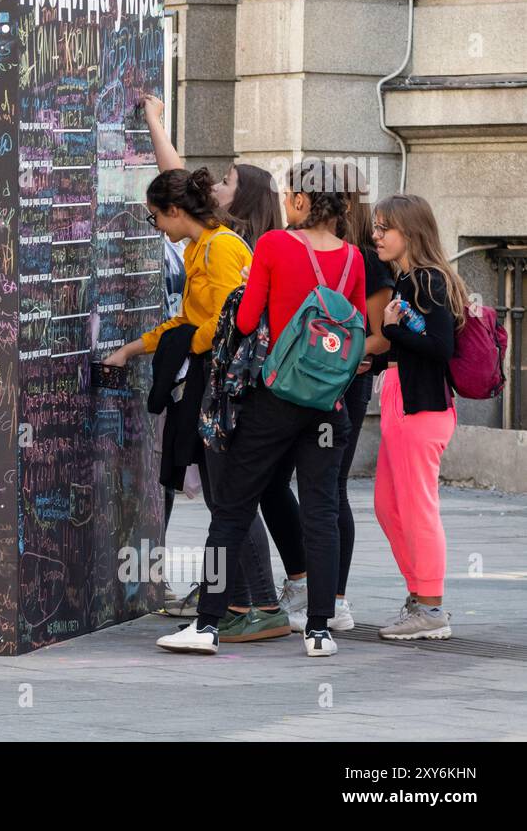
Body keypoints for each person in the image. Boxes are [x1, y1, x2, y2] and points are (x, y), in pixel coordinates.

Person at [156, 163, 365, 657]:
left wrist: (255, 289)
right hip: (327, 406)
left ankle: (206, 627)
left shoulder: (273, 246)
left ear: (300, 201)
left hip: (273, 398)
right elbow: (354, 331)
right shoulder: (354, 258)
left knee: (230, 509)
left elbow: (248, 318)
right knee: (321, 511)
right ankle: (318, 630)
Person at [138, 96, 289, 641]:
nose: (156, 226)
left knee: (231, 500)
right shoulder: (204, 247)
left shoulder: (221, 249)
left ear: (177, 212)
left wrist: (184, 344)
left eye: (156, 216)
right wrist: (140, 348)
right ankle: (247, 604)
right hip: (215, 382)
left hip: (226, 387)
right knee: (229, 499)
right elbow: (195, 318)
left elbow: (229, 322)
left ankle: (254, 605)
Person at [258, 161, 394, 632]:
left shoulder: (363, 259)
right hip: (309, 381)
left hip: (341, 384)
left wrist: (340, 357)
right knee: (281, 483)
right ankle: (306, 583)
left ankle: (333, 599)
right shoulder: (319, 250)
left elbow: (374, 336)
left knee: (329, 490)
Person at [371, 193, 466, 640]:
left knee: (417, 509)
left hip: (421, 407)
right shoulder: (409, 278)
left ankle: (430, 608)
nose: (376, 236)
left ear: (410, 231)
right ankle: (420, 597)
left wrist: (390, 330)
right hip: (402, 400)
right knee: (390, 507)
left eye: (384, 227)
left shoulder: (427, 280)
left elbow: (440, 347)